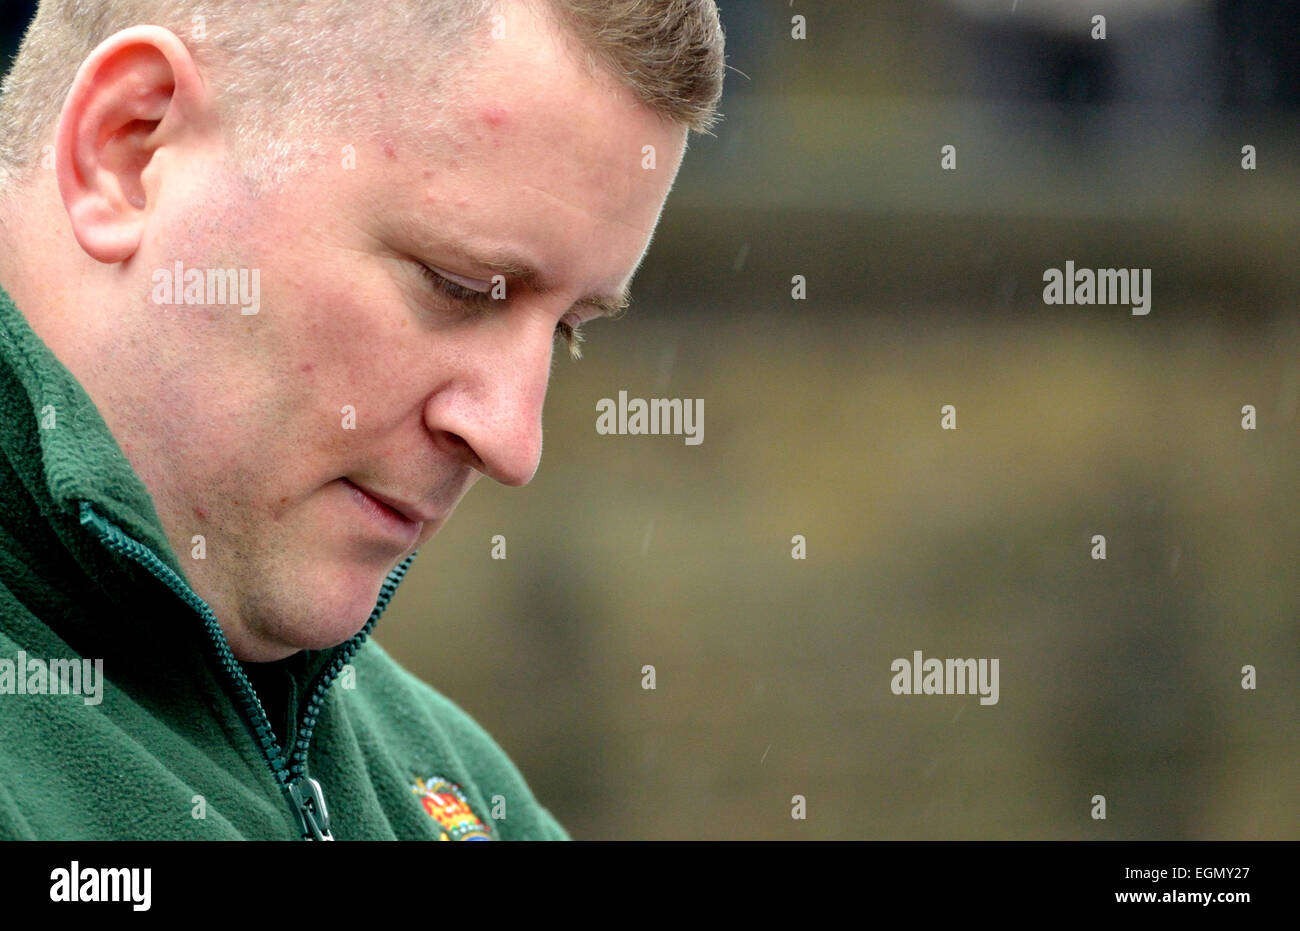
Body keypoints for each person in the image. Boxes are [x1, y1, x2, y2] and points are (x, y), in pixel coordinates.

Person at [0, 0, 723, 840]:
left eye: (568, 330)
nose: (511, 440)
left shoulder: (455, 788)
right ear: (128, 147)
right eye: (457, 284)